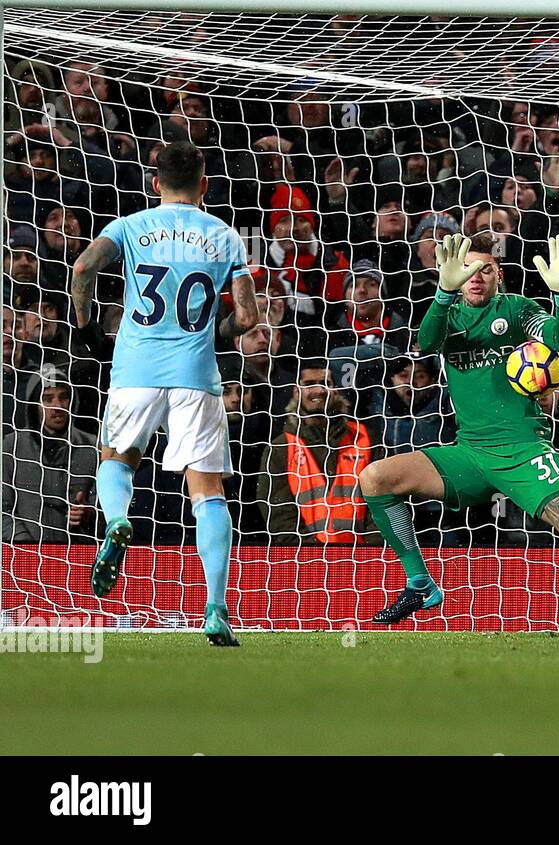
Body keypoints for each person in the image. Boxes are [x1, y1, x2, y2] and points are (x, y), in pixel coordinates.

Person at [69, 140, 258, 646]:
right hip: (196, 374)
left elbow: (83, 269)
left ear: (155, 183)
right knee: (208, 492)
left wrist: (87, 328)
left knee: (118, 458)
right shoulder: (224, 236)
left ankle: (116, 522)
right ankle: (216, 611)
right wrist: (210, 337)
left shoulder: (130, 226)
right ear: (205, 184)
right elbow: (247, 317)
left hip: (135, 369)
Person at [361, 233, 559, 624]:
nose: (475, 277)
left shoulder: (519, 310)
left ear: (499, 276)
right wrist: (442, 292)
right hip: (470, 453)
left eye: (484, 270)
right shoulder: (450, 315)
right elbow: (425, 343)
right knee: (375, 478)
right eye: (467, 271)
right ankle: (420, 584)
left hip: (524, 451)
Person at [258, 360, 380, 546]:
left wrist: (370, 549)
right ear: (296, 391)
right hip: (306, 561)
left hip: (364, 558)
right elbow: (279, 516)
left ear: (335, 389)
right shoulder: (281, 447)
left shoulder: (366, 438)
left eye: (325, 383)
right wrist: (313, 553)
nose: (319, 391)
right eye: (309, 384)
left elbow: (382, 503)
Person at [2, 365, 99, 545]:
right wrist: (26, 544)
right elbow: (3, 509)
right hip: (24, 556)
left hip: (78, 553)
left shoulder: (92, 447)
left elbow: (103, 508)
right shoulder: (10, 446)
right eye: (48, 399)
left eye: (63, 397)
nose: (58, 406)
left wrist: (89, 514)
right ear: (34, 404)